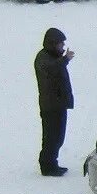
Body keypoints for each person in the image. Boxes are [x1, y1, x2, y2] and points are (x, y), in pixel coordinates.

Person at [35, 28, 75, 176]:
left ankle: (53, 163)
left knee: (58, 136)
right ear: (52, 44)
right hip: (50, 105)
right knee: (51, 137)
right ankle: (47, 166)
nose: (63, 47)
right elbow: (51, 70)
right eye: (60, 44)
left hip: (58, 103)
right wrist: (64, 59)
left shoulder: (53, 57)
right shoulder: (43, 58)